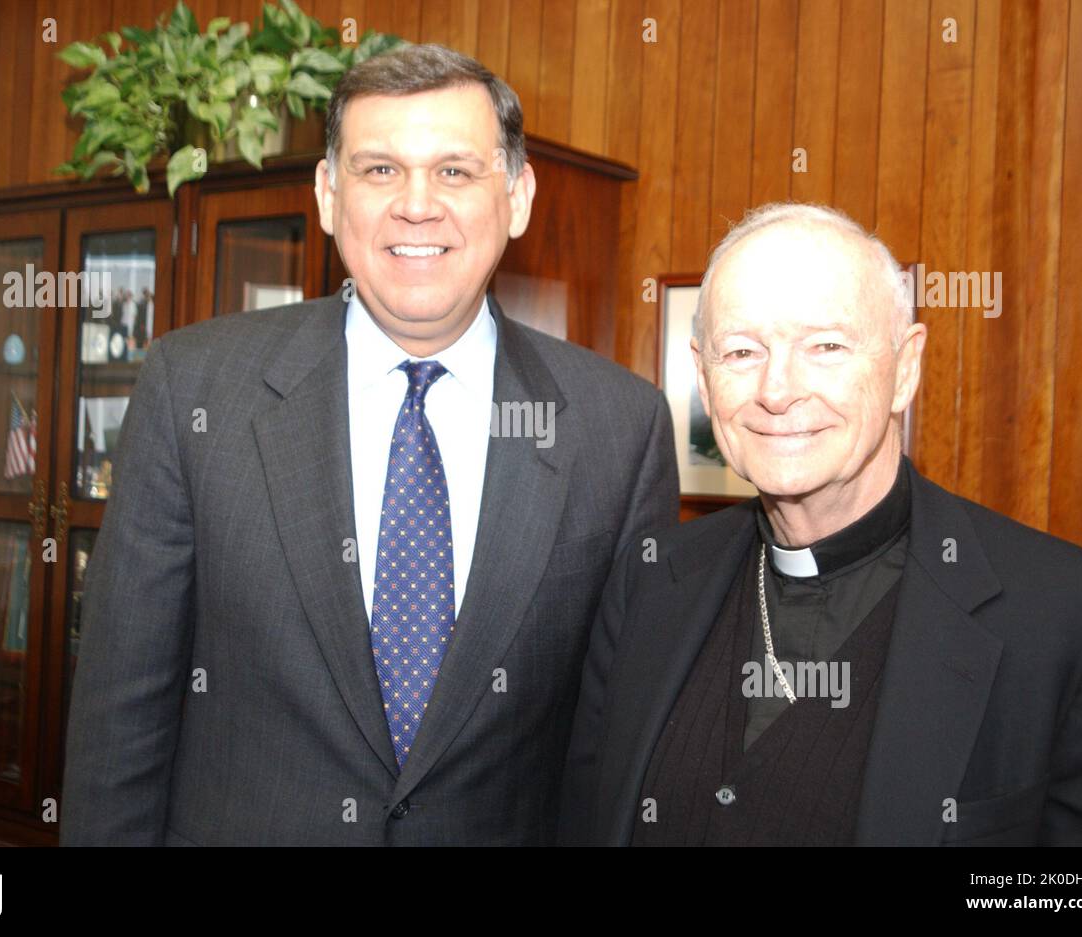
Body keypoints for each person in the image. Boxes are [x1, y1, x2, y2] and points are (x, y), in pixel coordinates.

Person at [61, 43, 677, 846]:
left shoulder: (620, 426)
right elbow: (120, 717)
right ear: (327, 192)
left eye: (455, 171)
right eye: (379, 169)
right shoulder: (194, 388)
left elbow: (614, 750)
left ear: (518, 196)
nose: (416, 205)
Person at [559, 202, 1082, 846]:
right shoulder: (647, 583)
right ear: (703, 377)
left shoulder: (1080, 623)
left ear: (905, 369)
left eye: (827, 346)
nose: (777, 390)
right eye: (741, 351)